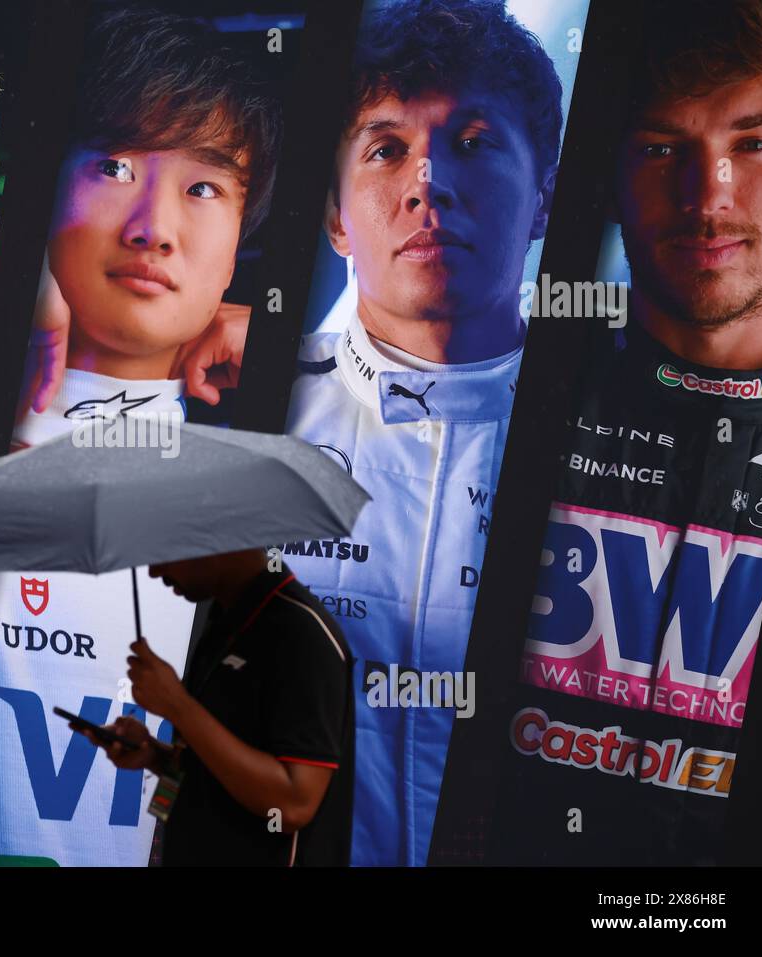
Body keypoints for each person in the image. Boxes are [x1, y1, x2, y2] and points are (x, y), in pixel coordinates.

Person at [0, 8, 281, 866]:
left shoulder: (268, 492)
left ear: (243, 239)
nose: (153, 228)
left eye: (204, 187)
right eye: (114, 166)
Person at [490, 0, 762, 866]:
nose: (708, 197)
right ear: (607, 177)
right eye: (661, 149)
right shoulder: (511, 391)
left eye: (756, 143)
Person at [282, 0, 562, 866]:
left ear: (545, 196)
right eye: (385, 147)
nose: (428, 177)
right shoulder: (234, 408)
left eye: (475, 141)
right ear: (334, 216)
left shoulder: (610, 432)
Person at [84, 550, 353, 866]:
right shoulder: (224, 621)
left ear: (208, 538)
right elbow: (215, 764)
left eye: (164, 554)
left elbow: (293, 805)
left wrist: (178, 706)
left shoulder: (300, 634)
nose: (154, 571)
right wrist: (154, 755)